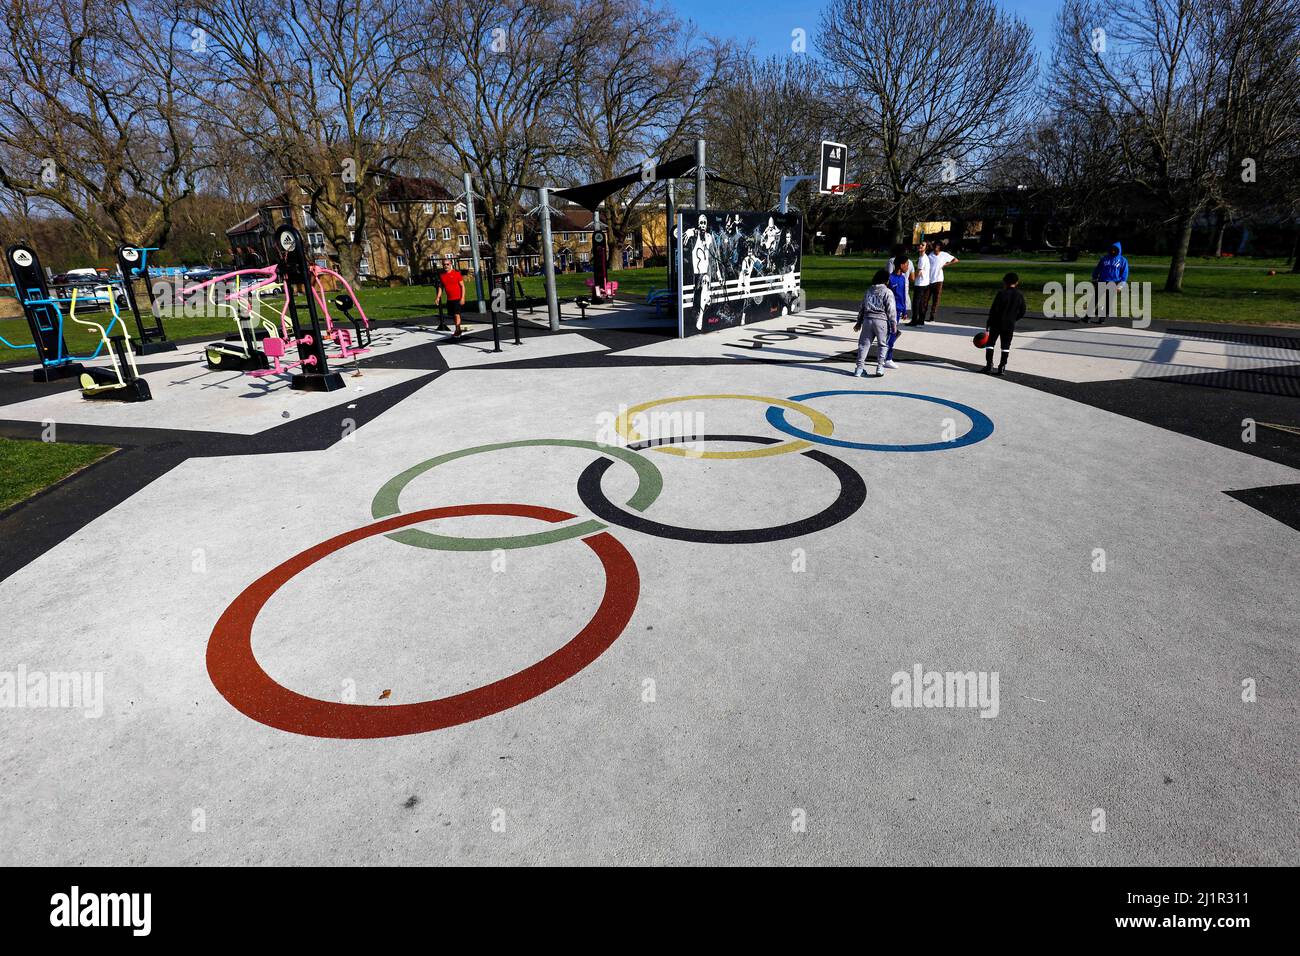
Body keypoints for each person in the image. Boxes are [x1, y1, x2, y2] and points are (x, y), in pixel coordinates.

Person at [852, 268, 897, 377]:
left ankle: (859, 368)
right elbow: (891, 309)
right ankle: (880, 367)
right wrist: (893, 323)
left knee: (863, 345)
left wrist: (859, 322)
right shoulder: (887, 291)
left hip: (867, 320)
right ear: (886, 280)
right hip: (881, 321)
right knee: (882, 344)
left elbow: (862, 307)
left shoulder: (868, 290)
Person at [982, 272, 1026, 375]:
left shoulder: (1001, 293)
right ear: (1017, 282)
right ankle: (1002, 367)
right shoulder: (1019, 295)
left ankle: (989, 365)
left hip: (996, 323)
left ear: (1004, 282)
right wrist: (1014, 319)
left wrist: (989, 322)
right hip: (1009, 324)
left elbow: (993, 310)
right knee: (1006, 346)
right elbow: (1023, 311)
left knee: (990, 344)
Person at [1089, 241, 1129, 324]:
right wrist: (1094, 278)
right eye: (1112, 250)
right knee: (1095, 299)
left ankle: (1102, 319)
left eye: (1115, 250)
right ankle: (1087, 317)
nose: (1113, 251)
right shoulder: (1104, 258)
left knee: (1108, 301)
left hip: (1114, 283)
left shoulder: (1123, 260)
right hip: (1102, 281)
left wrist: (1120, 286)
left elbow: (1124, 274)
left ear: (1119, 250)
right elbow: (1097, 269)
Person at [923, 240, 959, 323]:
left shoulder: (944, 255)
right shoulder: (930, 255)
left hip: (939, 280)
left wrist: (945, 265)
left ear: (940, 247)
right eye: (935, 246)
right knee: (925, 299)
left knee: (936, 299)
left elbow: (956, 260)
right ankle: (922, 315)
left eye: (938, 246)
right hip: (929, 280)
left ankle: (932, 316)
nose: (936, 247)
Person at [884, 254, 910, 368]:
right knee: (892, 333)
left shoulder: (903, 278)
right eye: (907, 264)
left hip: (899, 310)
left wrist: (904, 310)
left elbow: (903, 294)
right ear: (901, 265)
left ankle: (886, 355)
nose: (908, 267)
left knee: (892, 333)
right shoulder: (889, 278)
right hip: (890, 311)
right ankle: (888, 358)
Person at [434, 258, 467, 337]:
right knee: (453, 315)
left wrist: (462, 297)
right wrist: (438, 297)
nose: (446, 266)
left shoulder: (456, 273)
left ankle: (458, 330)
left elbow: (462, 286)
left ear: (450, 264)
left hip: (457, 298)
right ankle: (457, 328)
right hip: (449, 299)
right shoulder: (442, 276)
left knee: (457, 314)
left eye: (447, 264)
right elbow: (441, 287)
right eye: (444, 265)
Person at [910, 241, 930, 325]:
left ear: (926, 248)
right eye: (920, 244)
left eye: (923, 245)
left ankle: (914, 320)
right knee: (922, 302)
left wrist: (913, 278)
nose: (920, 246)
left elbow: (919, 271)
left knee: (916, 303)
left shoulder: (922, 258)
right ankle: (921, 320)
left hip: (920, 283)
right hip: (925, 283)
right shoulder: (923, 257)